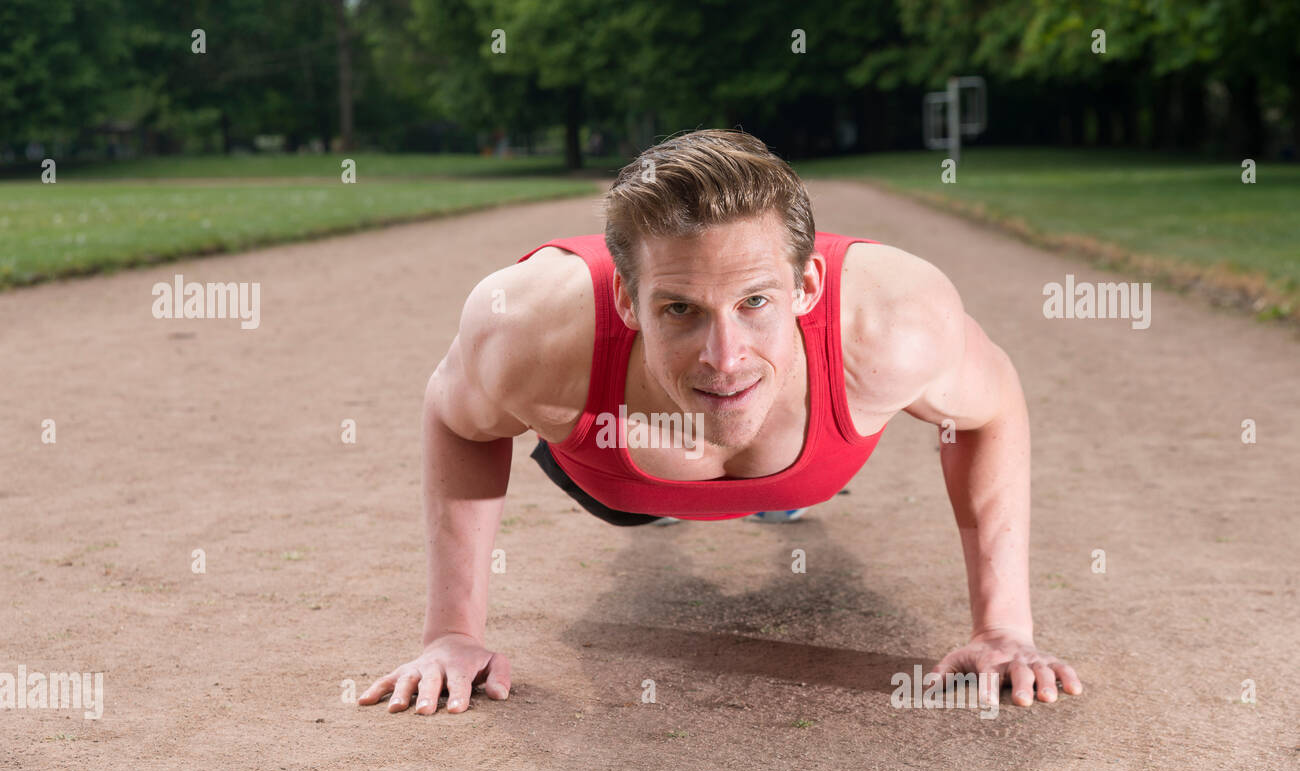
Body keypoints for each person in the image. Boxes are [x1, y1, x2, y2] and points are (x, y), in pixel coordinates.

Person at [359, 129, 1083, 717]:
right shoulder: (526, 332)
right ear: (625, 302)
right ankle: (708, 487)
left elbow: (991, 407)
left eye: (756, 303)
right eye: (680, 309)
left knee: (768, 450)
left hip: (812, 458)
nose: (725, 355)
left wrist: (1004, 627)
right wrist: (452, 632)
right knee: (642, 506)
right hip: (619, 480)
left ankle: (782, 486)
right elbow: (459, 420)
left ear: (807, 288)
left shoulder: (896, 324)